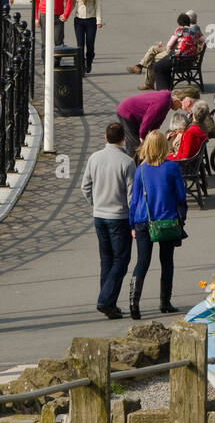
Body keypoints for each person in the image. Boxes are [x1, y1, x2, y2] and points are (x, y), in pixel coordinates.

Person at [128, 130, 188, 317]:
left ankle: (134, 303)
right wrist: (182, 219)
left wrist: (132, 224)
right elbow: (180, 196)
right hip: (166, 220)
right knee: (167, 261)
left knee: (142, 262)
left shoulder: (141, 170)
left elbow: (135, 200)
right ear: (164, 146)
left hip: (143, 220)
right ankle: (165, 302)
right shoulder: (172, 168)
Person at [81, 122, 135, 319]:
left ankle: (109, 304)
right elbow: (131, 195)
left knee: (106, 260)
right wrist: (134, 220)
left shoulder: (94, 158)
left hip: (99, 215)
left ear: (106, 137)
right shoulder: (127, 162)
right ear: (123, 139)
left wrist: (95, 204)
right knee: (121, 260)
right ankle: (105, 299)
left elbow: (85, 187)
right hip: (119, 216)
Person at [116, 89, 184, 158]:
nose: (179, 108)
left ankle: (136, 161)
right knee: (135, 144)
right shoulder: (164, 101)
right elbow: (148, 119)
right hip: (127, 112)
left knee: (138, 143)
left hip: (133, 114)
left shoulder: (167, 101)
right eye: (180, 106)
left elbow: (159, 119)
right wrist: (142, 136)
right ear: (177, 101)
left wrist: (153, 133)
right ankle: (133, 165)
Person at [73, 0, 104, 74]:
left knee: (90, 45)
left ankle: (89, 61)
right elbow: (72, 3)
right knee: (80, 45)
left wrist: (99, 20)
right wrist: (65, 14)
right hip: (79, 20)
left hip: (91, 19)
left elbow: (98, 6)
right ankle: (81, 67)